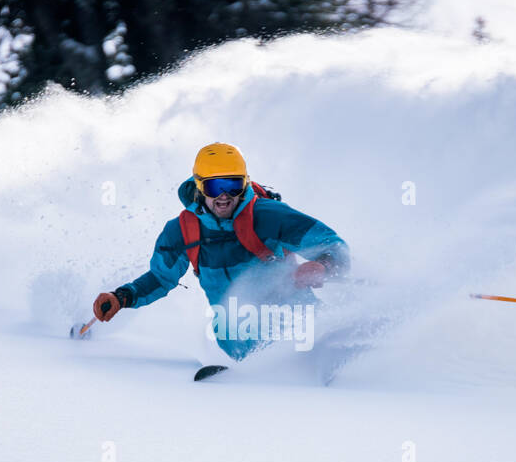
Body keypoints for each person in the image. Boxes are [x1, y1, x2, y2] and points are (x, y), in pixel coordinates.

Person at [91, 143, 350, 360]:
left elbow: (334, 245)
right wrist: (122, 297)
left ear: (245, 184)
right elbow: (160, 278)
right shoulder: (182, 231)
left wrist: (322, 265)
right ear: (200, 186)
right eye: (215, 187)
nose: (225, 196)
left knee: (313, 359)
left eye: (234, 185)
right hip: (237, 343)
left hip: (299, 324)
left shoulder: (268, 216)